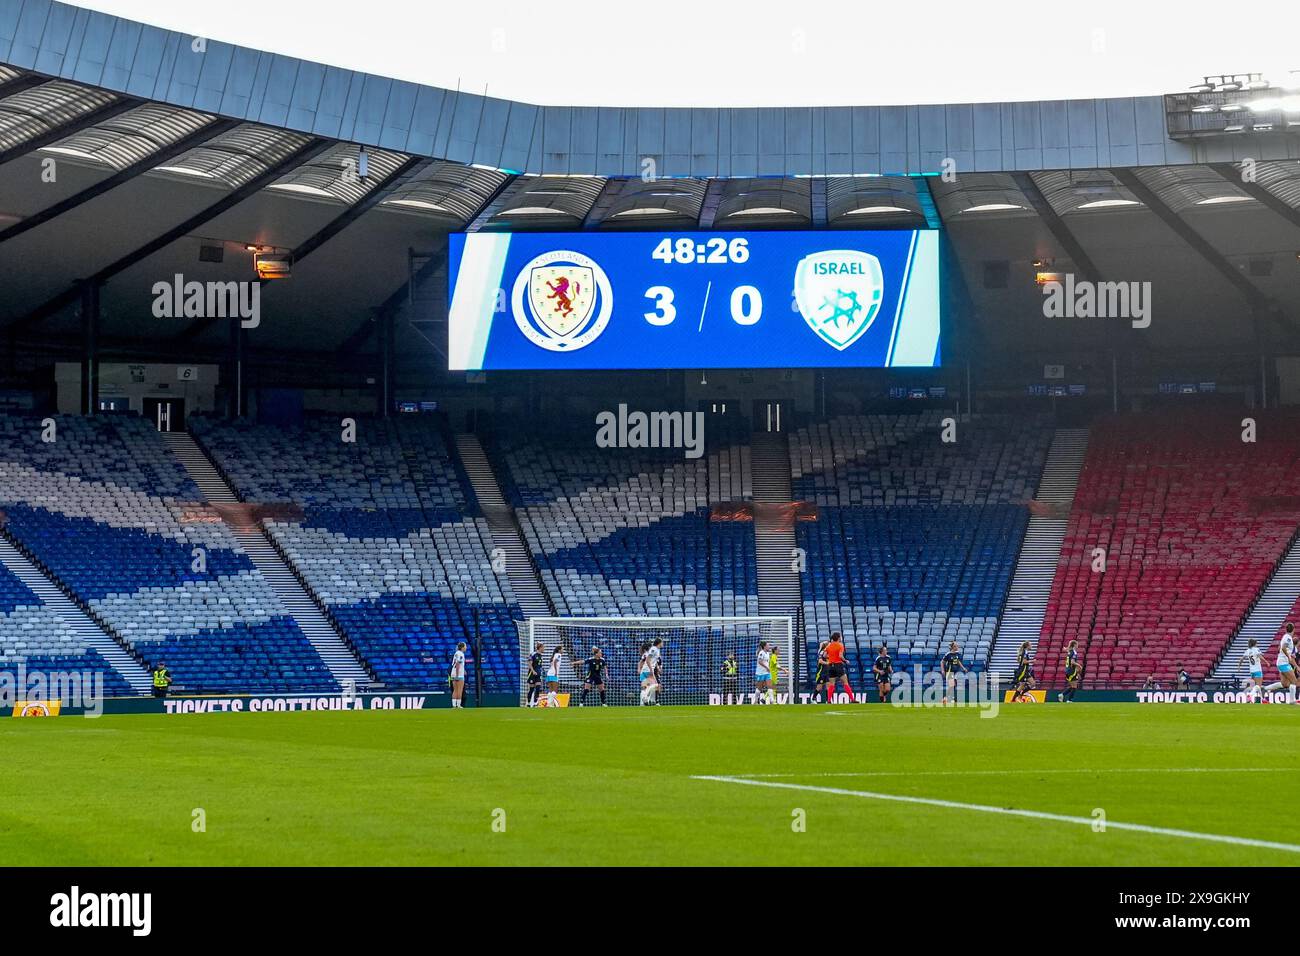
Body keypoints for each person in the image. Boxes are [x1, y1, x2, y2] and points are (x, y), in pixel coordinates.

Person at [823, 632, 853, 703]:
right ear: (839, 638)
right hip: (838, 665)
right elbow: (840, 656)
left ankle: (829, 700)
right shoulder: (840, 645)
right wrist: (845, 661)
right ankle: (852, 699)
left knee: (831, 684)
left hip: (830, 666)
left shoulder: (829, 646)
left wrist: (830, 657)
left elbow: (824, 655)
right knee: (845, 682)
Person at [1277, 622, 1298, 704]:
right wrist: (1288, 656)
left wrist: (1290, 655)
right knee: (1294, 681)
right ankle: (1292, 701)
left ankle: (1266, 689)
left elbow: (1281, 647)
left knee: (1285, 684)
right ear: (1293, 629)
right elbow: (1283, 648)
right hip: (1283, 663)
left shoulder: (1285, 637)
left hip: (1282, 662)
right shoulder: (1288, 638)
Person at [1241, 638, 1266, 703]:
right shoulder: (1256, 649)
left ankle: (1262, 699)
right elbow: (1259, 656)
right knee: (1258, 686)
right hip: (1258, 670)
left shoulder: (1248, 650)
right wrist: (1266, 661)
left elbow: (1242, 659)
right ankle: (1250, 695)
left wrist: (1239, 666)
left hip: (1252, 671)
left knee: (1256, 686)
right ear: (1255, 644)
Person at [448, 641, 467, 708]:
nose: (466, 647)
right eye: (465, 646)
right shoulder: (461, 654)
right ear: (462, 647)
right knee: (460, 690)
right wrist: (457, 674)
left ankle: (454, 705)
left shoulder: (456, 653)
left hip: (453, 672)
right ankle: (458, 705)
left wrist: (463, 670)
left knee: (455, 690)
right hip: (458, 674)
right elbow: (458, 663)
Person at [525, 641, 544, 707]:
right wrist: (533, 671)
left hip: (538, 674)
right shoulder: (533, 654)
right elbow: (529, 663)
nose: (544, 649)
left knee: (538, 688)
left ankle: (535, 703)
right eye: (543, 647)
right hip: (532, 674)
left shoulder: (540, 656)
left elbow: (539, 665)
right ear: (540, 648)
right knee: (531, 689)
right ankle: (528, 703)